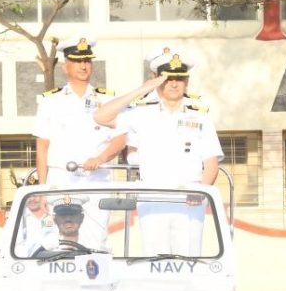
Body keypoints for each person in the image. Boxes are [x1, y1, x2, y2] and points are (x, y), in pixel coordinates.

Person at [93, 53, 223, 256]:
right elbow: (101, 116)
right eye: (167, 79)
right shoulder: (141, 114)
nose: (174, 84)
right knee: (154, 262)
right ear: (158, 81)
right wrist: (142, 89)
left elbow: (212, 163)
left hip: (189, 199)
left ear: (186, 81)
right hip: (153, 198)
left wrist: (201, 192)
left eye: (179, 78)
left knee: (188, 260)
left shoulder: (200, 116)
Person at [32, 38, 117, 184]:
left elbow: (120, 138)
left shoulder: (108, 100)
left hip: (97, 178)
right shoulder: (50, 101)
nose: (83, 66)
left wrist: (100, 159)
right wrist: (42, 189)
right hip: (61, 178)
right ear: (65, 67)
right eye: (78, 62)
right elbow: (42, 147)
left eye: (87, 61)